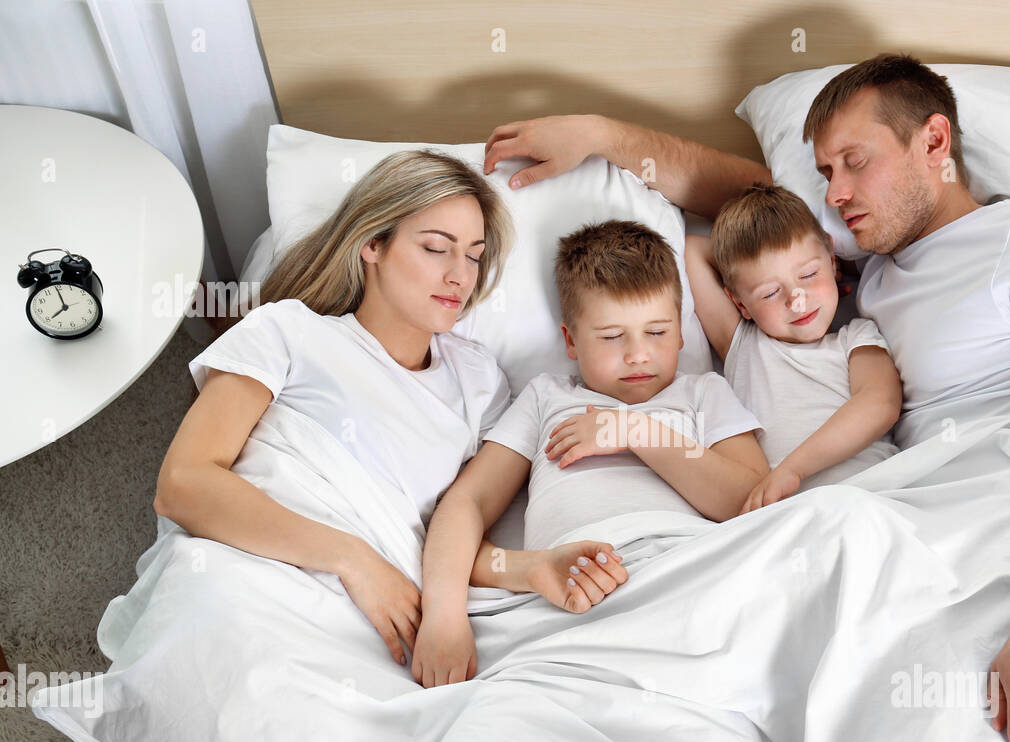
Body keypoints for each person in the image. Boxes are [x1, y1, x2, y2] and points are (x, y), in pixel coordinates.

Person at [480, 53, 1010, 742]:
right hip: (901, 518)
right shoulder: (859, 260)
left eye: (852, 163)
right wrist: (597, 136)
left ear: (933, 143)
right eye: (824, 173)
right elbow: (745, 201)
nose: (834, 194)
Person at [158, 148, 618, 677]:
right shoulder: (287, 331)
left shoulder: (480, 382)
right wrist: (353, 560)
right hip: (262, 572)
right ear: (372, 243)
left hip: (390, 615)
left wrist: (531, 568)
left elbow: (455, 531)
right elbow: (183, 483)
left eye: (473, 255)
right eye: (436, 248)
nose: (460, 276)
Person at [414, 219, 769, 687]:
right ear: (571, 342)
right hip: (573, 592)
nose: (639, 355)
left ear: (682, 333)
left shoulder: (702, 392)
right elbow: (467, 503)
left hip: (686, 570)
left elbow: (754, 502)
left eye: (657, 333)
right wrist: (442, 615)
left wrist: (637, 431)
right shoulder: (547, 397)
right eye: (611, 337)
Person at [684, 183, 901, 509]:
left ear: (832, 259)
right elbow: (690, 251)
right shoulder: (742, 344)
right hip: (788, 515)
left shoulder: (855, 339)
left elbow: (880, 404)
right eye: (770, 293)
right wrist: (741, 263)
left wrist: (793, 469)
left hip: (869, 494)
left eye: (809, 273)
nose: (796, 301)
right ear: (740, 303)